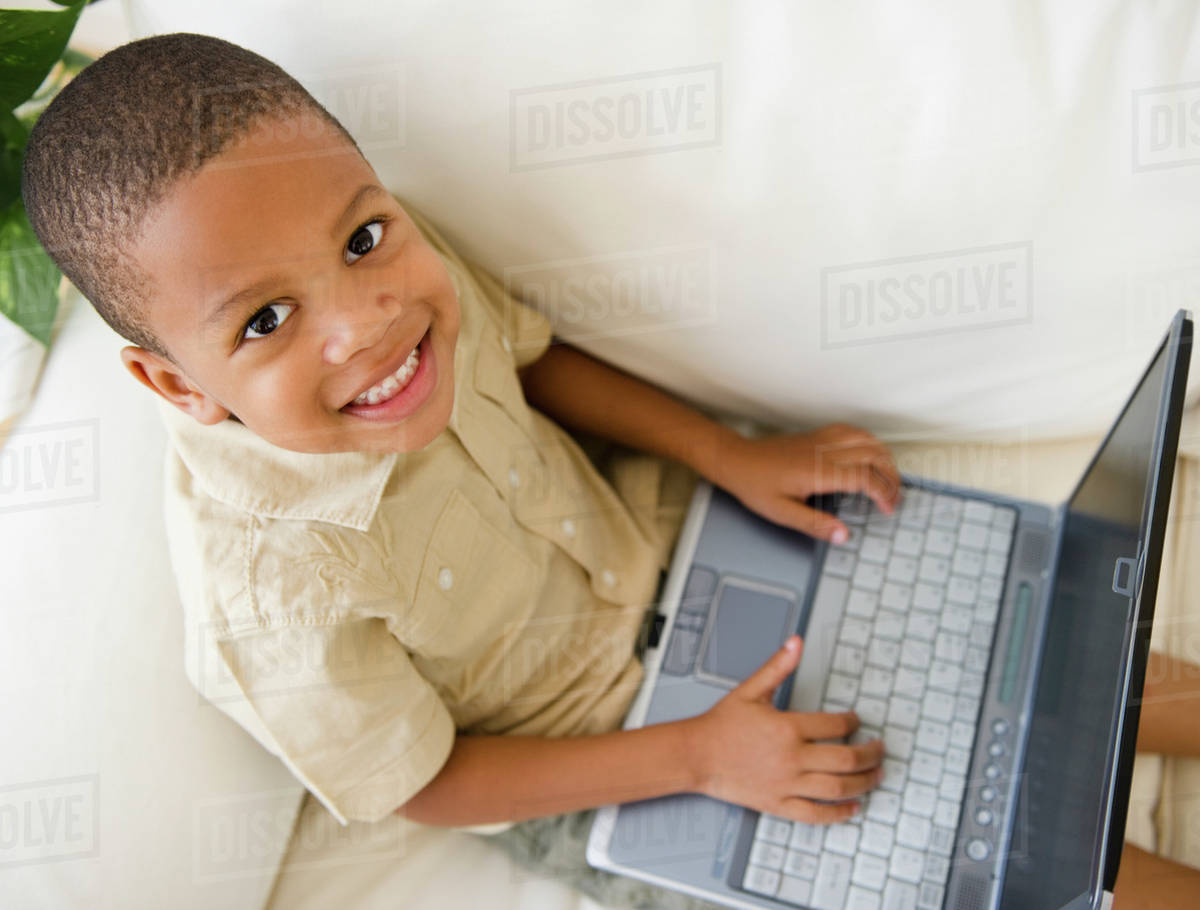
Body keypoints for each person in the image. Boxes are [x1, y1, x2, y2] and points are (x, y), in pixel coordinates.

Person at [21, 31, 1197, 910]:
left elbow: (532, 358)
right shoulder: (269, 599)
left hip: (690, 550)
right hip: (607, 756)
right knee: (1005, 852)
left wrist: (727, 452)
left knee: (1057, 662)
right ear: (179, 386)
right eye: (268, 318)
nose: (366, 324)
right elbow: (424, 781)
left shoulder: (394, 269)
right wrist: (697, 753)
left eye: (363, 238)